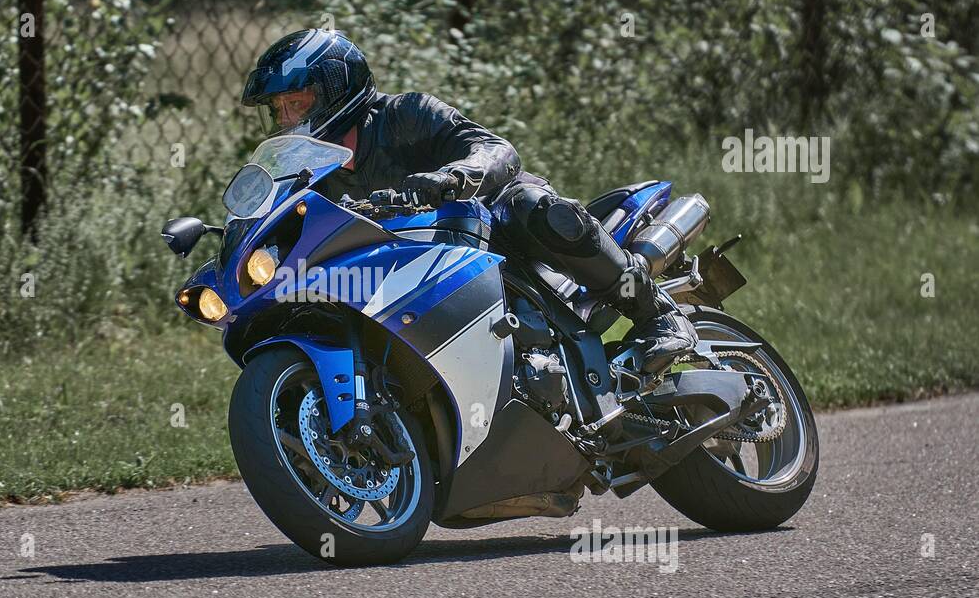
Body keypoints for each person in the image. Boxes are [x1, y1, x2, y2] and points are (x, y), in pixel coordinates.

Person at [241, 29, 697, 372]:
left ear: (335, 89)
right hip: (412, 266)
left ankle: (657, 314)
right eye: (277, 110)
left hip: (491, 228)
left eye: (296, 104)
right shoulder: (310, 174)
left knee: (535, 209)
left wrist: (452, 177)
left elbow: (499, 152)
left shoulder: (407, 115)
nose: (286, 120)